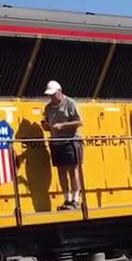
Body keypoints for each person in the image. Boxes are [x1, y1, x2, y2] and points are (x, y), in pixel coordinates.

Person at [41, 80, 84, 210]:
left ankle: (76, 199)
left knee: (73, 170)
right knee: (61, 171)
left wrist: (63, 125)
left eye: (53, 94)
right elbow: (49, 126)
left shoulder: (70, 103)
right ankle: (67, 199)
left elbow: (80, 122)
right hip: (56, 143)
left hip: (70, 141)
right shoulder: (48, 108)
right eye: (50, 95)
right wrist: (46, 126)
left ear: (60, 91)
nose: (52, 97)